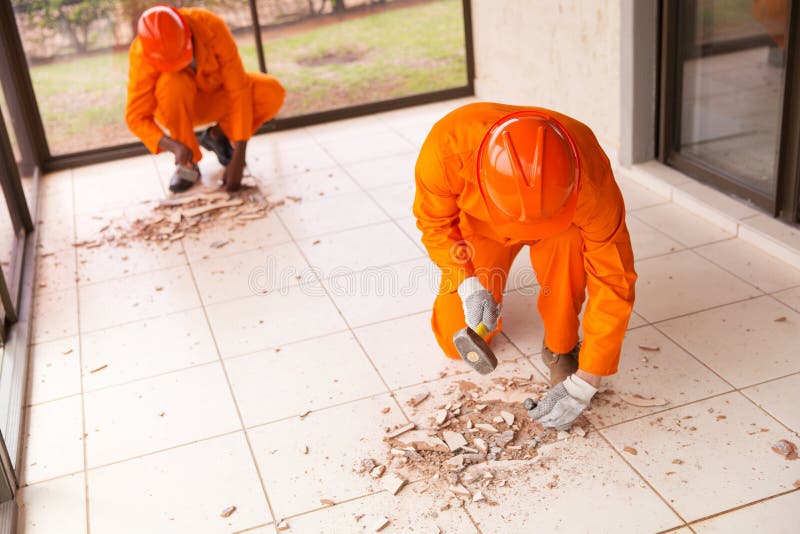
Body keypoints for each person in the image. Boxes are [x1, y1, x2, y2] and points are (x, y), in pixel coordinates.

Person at [413, 102, 637, 431]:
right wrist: (468, 284)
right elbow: (434, 223)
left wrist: (587, 381)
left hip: (557, 230)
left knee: (569, 244)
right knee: (452, 339)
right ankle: (485, 296)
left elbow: (614, 278)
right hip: (482, 227)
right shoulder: (447, 147)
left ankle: (560, 348)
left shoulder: (591, 180)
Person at [125, 4, 285, 192]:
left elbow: (238, 88)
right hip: (176, 106)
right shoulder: (142, 52)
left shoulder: (210, 25)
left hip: (215, 96)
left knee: (270, 91)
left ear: (186, 31)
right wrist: (173, 146)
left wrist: (240, 154)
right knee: (171, 83)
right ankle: (188, 165)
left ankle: (220, 136)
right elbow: (135, 116)